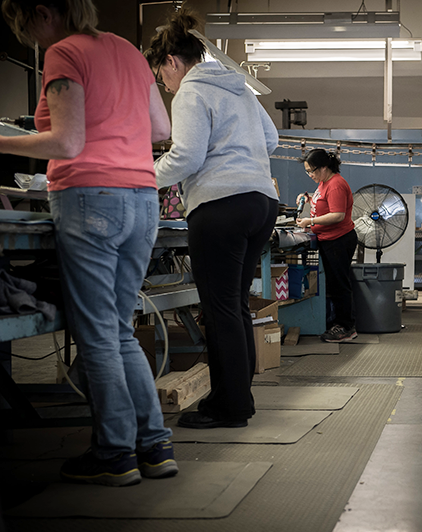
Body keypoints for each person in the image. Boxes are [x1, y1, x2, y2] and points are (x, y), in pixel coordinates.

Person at [0, 0, 177, 486]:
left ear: (41, 12)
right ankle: (154, 447)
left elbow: (67, 143)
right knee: (118, 329)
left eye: (24, 25)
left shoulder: (64, 52)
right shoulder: (128, 51)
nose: (29, 37)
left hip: (91, 197)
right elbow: (161, 129)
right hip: (143, 198)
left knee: (97, 333)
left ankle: (115, 454)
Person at [145, 9, 279, 429]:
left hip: (221, 206)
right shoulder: (238, 87)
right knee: (234, 306)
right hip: (261, 203)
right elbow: (272, 139)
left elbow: (186, 157)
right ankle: (238, 400)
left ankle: (229, 407)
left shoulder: (190, 92)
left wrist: (141, 176)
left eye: (161, 76)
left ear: (172, 61)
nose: (165, 86)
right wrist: (242, 158)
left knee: (221, 309)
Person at [296, 149, 358, 343]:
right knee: (333, 283)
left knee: (340, 284)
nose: (310, 175)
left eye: (312, 171)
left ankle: (346, 327)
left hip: (338, 240)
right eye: (307, 171)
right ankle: (337, 322)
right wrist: (308, 199)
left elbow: (338, 215)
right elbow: (324, 204)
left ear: (324, 167)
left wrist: (310, 221)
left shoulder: (336, 184)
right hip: (328, 239)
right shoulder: (324, 183)